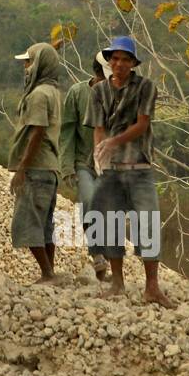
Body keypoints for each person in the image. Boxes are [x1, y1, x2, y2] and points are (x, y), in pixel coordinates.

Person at [86, 35, 173, 307]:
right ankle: (117, 282)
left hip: (139, 167)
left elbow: (142, 124)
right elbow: (98, 128)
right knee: (109, 222)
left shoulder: (145, 87)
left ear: (133, 63)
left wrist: (113, 142)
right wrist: (100, 152)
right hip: (112, 169)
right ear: (109, 61)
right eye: (115, 58)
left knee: (147, 223)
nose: (119, 64)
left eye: (125, 59)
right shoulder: (98, 92)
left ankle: (152, 287)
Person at [8, 42, 64, 285]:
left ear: (39, 64)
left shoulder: (39, 95)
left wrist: (21, 169)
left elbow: (38, 131)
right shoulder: (53, 92)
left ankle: (47, 273)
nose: (25, 67)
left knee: (27, 222)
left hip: (37, 167)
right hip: (50, 168)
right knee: (45, 223)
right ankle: (49, 272)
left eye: (29, 62)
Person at [60, 52, 110, 280]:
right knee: (89, 200)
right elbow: (67, 132)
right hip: (84, 162)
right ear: (96, 74)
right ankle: (96, 251)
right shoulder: (77, 93)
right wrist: (66, 166)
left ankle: (106, 261)